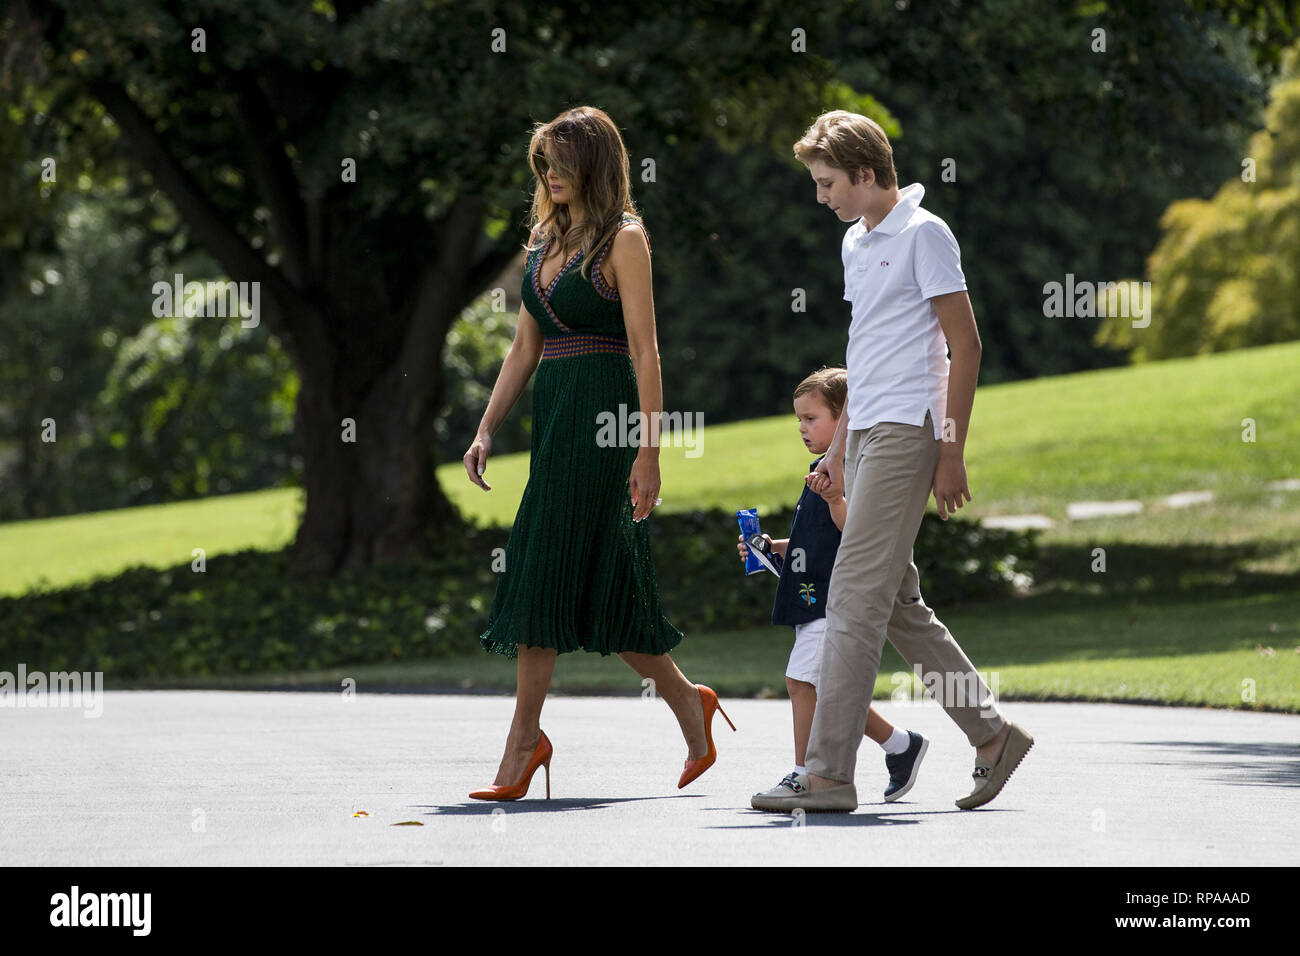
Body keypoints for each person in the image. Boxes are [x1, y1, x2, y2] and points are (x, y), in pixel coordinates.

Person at [752, 110, 1033, 814]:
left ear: (867, 174)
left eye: (827, 183)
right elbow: (867, 355)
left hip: (911, 432)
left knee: (850, 598)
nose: (821, 197)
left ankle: (827, 774)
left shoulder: (925, 234)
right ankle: (993, 737)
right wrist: (840, 449)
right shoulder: (857, 242)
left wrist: (951, 449)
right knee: (898, 607)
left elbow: (962, 346)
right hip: (869, 432)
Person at [462, 106, 734, 801]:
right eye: (543, 162)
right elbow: (525, 345)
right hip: (556, 415)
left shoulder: (626, 239)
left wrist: (650, 453)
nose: (548, 173)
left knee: (556, 565)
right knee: (584, 575)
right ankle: (684, 701)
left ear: (592, 165)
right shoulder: (542, 239)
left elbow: (646, 350)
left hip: (607, 417)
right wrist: (487, 427)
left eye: (559, 161)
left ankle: (524, 744)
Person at [740, 366, 928, 805]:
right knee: (830, 690)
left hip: (835, 598)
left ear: (844, 418)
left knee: (800, 683)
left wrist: (836, 498)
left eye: (812, 418)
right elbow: (819, 538)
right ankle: (901, 745)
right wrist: (774, 547)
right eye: (799, 420)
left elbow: (857, 532)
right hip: (813, 596)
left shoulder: (853, 467)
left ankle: (805, 774)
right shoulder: (821, 467)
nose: (803, 428)